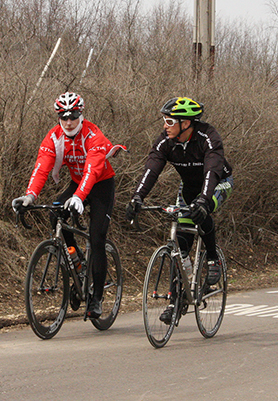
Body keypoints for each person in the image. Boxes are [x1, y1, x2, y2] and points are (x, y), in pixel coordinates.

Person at [125, 97, 233, 323]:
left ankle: (213, 258)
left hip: (217, 182)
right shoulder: (166, 141)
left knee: (203, 211)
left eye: (169, 121)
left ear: (186, 123)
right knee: (180, 246)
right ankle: (176, 301)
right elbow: (151, 168)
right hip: (189, 188)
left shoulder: (207, 137)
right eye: (164, 121)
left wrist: (204, 201)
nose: (165, 126)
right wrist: (137, 197)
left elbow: (212, 171)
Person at [12, 92, 118, 319]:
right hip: (77, 183)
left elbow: (92, 171)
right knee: (55, 214)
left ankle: (97, 298)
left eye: (73, 116)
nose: (69, 122)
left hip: (100, 185)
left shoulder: (93, 135)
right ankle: (77, 261)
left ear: (81, 115)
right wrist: (30, 196)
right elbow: (42, 167)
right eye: (64, 117)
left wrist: (79, 197)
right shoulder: (54, 137)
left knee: (97, 237)